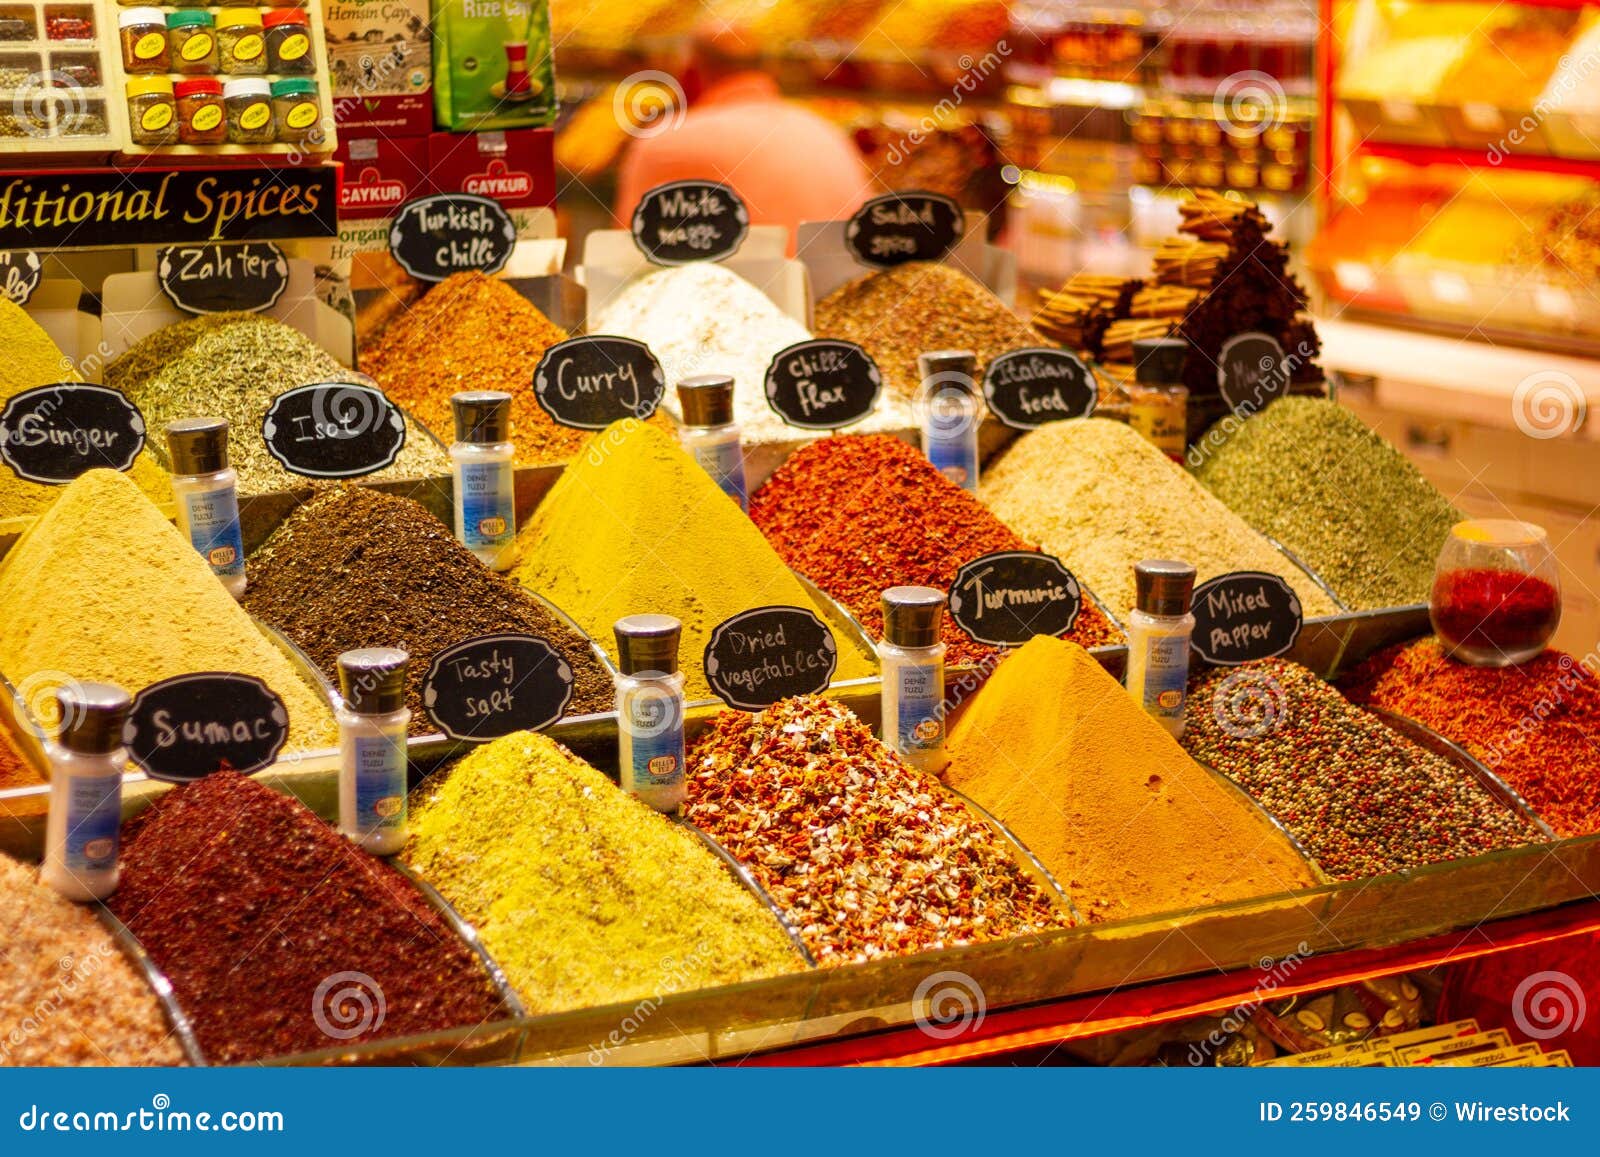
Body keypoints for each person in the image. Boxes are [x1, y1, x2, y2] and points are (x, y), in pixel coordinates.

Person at [614, 22, 874, 253]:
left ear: (690, 73)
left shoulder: (670, 141)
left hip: (749, 302)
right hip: (841, 300)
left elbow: (627, 256)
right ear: (769, 69)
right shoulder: (824, 130)